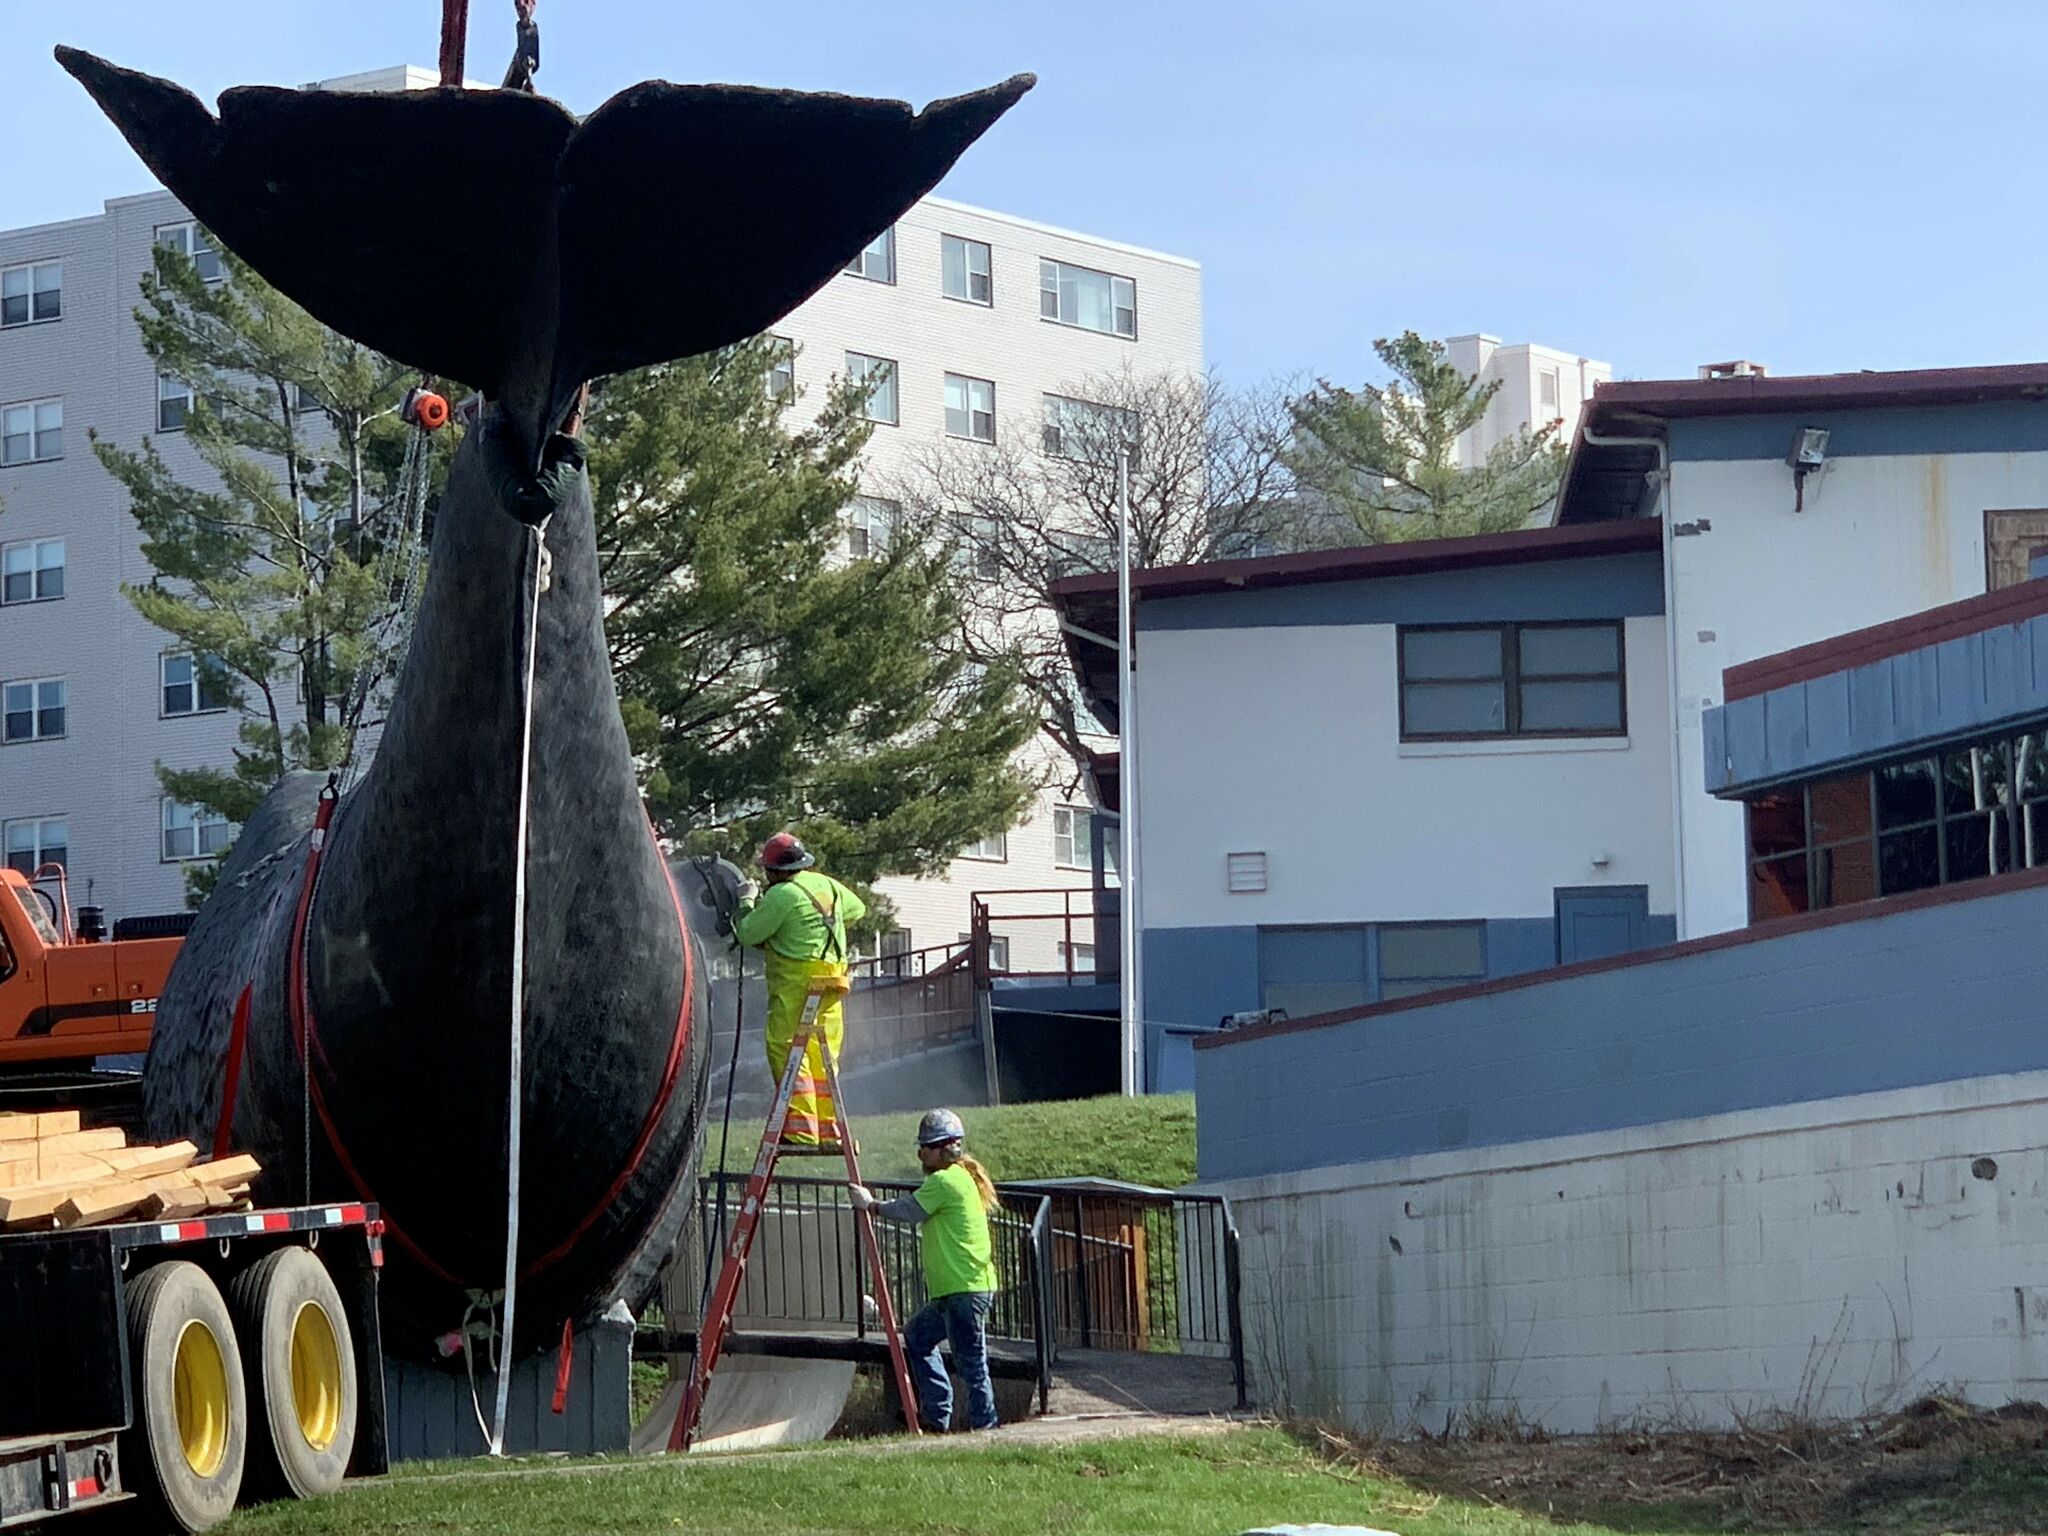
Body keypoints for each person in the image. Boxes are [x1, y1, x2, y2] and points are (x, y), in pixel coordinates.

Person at [849, 1109, 1000, 1433]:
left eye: (925, 1147)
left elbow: (910, 1210)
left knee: (971, 1365)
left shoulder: (946, 1181)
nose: (920, 1153)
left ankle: (985, 1429)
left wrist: (872, 1205)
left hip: (964, 1290)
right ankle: (937, 1415)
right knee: (918, 1336)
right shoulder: (956, 1178)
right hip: (955, 1290)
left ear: (943, 1149)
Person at [731, 832, 865, 1146]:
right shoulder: (828, 885)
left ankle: (801, 1129)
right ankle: (829, 1129)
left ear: (774, 871)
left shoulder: (782, 895)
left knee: (784, 1045)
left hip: (797, 982)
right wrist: (816, 926)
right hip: (833, 980)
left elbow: (748, 933)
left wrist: (746, 900)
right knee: (825, 1055)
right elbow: (857, 910)